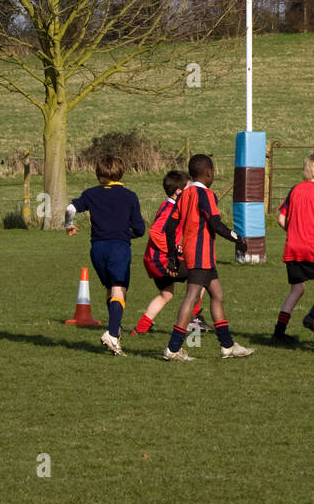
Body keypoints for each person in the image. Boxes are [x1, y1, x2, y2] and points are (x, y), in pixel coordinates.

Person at [162, 154, 253, 361]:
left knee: (217, 294)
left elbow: (170, 226)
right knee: (192, 296)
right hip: (200, 254)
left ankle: (227, 346)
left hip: (195, 253)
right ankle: (173, 348)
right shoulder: (206, 195)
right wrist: (237, 238)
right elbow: (215, 223)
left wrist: (173, 256)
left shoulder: (184, 194)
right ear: (209, 173)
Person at [64, 155, 145, 357]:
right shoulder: (129, 196)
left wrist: (68, 224)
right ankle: (112, 334)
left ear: (98, 174)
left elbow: (70, 208)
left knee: (111, 289)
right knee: (120, 290)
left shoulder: (91, 194)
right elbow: (140, 229)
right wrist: (127, 233)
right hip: (119, 247)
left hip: (97, 249)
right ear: (121, 172)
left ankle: (115, 332)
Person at [272, 151, 314, 344]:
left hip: (291, 248)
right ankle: (312, 316)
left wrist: (294, 231)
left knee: (297, 289)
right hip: (311, 247)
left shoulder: (295, 189)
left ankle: (278, 333)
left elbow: (280, 218)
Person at [128, 170, 188, 336]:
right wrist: (172, 251)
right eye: (188, 189)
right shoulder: (170, 208)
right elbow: (155, 232)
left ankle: (141, 327)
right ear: (178, 192)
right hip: (160, 261)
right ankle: (193, 318)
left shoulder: (169, 206)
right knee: (202, 275)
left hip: (152, 261)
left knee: (166, 294)